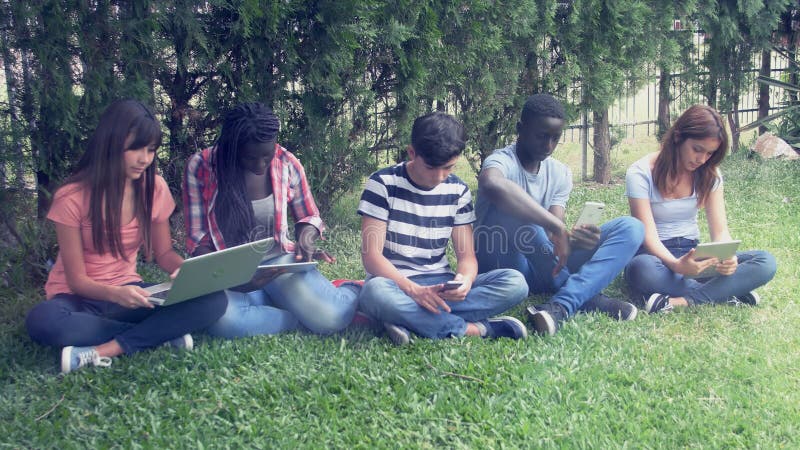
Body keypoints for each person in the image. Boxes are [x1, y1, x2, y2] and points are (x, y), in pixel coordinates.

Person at [25, 100, 227, 374]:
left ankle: (105, 350)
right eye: (135, 148)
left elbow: (164, 253)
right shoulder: (72, 197)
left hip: (130, 292)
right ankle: (159, 336)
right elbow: (77, 280)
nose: (144, 159)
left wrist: (186, 271)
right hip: (78, 299)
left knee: (214, 300)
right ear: (110, 144)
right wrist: (116, 294)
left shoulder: (153, 188)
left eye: (151, 150)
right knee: (43, 321)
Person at [183, 102, 359, 338]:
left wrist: (305, 238)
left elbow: (309, 215)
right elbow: (198, 239)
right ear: (231, 147)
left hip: (277, 264)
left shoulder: (286, 161)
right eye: (249, 158)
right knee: (224, 322)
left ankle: (350, 289)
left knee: (332, 318)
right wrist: (234, 279)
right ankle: (292, 315)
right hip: (228, 275)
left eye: (266, 156)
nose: (260, 165)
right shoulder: (201, 166)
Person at [474, 93, 645, 336]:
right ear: (520, 129)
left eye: (556, 138)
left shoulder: (559, 172)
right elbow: (492, 185)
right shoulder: (502, 161)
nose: (548, 146)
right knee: (516, 215)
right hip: (504, 265)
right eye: (542, 136)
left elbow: (551, 235)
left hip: (545, 263)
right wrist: (554, 225)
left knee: (631, 227)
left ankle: (561, 304)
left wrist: (576, 239)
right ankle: (587, 299)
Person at [357, 112, 529, 345]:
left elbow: (467, 257)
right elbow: (371, 257)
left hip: (441, 284)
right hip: (395, 284)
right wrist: (414, 291)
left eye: (448, 168)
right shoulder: (383, 184)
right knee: (374, 293)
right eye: (430, 167)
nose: (439, 177)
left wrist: (465, 281)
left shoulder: (457, 190)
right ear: (411, 153)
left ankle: (409, 320)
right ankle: (476, 329)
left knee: (515, 283)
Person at [623, 104, 776, 312]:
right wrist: (677, 265)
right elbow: (648, 237)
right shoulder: (640, 173)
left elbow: (720, 231)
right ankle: (725, 293)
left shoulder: (710, 174)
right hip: (655, 258)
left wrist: (727, 257)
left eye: (709, 154)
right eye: (697, 149)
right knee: (639, 270)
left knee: (765, 262)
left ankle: (684, 301)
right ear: (678, 137)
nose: (702, 159)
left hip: (694, 254)